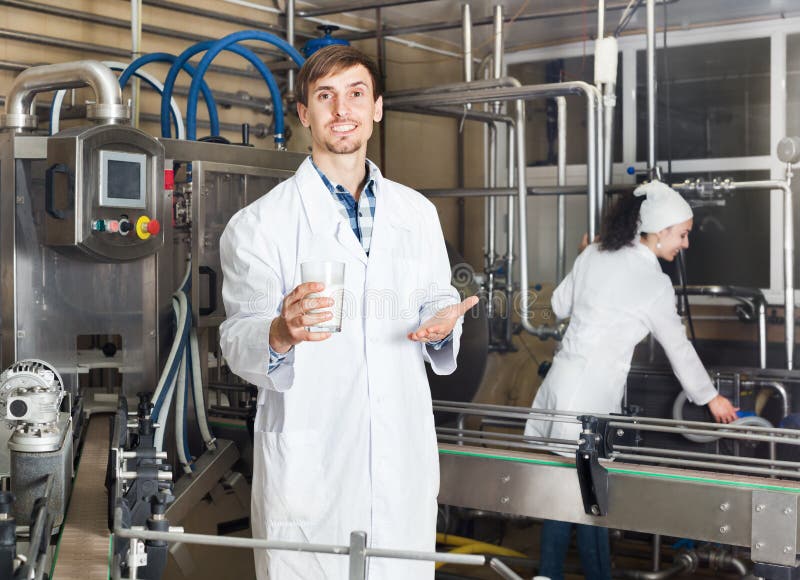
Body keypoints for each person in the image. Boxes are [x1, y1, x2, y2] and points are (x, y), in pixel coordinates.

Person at [218, 45, 478, 580]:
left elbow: (433, 297)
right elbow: (237, 337)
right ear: (304, 113)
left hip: (399, 459)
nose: (342, 110)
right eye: (325, 96)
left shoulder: (417, 213)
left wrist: (440, 323)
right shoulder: (260, 225)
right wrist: (279, 332)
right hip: (311, 466)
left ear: (376, 107)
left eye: (356, 94)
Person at [525, 180, 738, 580]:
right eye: (683, 234)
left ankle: (550, 573)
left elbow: (557, 305)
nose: (686, 244)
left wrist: (581, 256)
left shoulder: (594, 254)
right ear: (660, 231)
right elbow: (679, 348)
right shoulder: (653, 283)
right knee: (590, 502)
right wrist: (711, 398)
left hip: (560, 386)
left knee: (563, 498)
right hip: (589, 400)